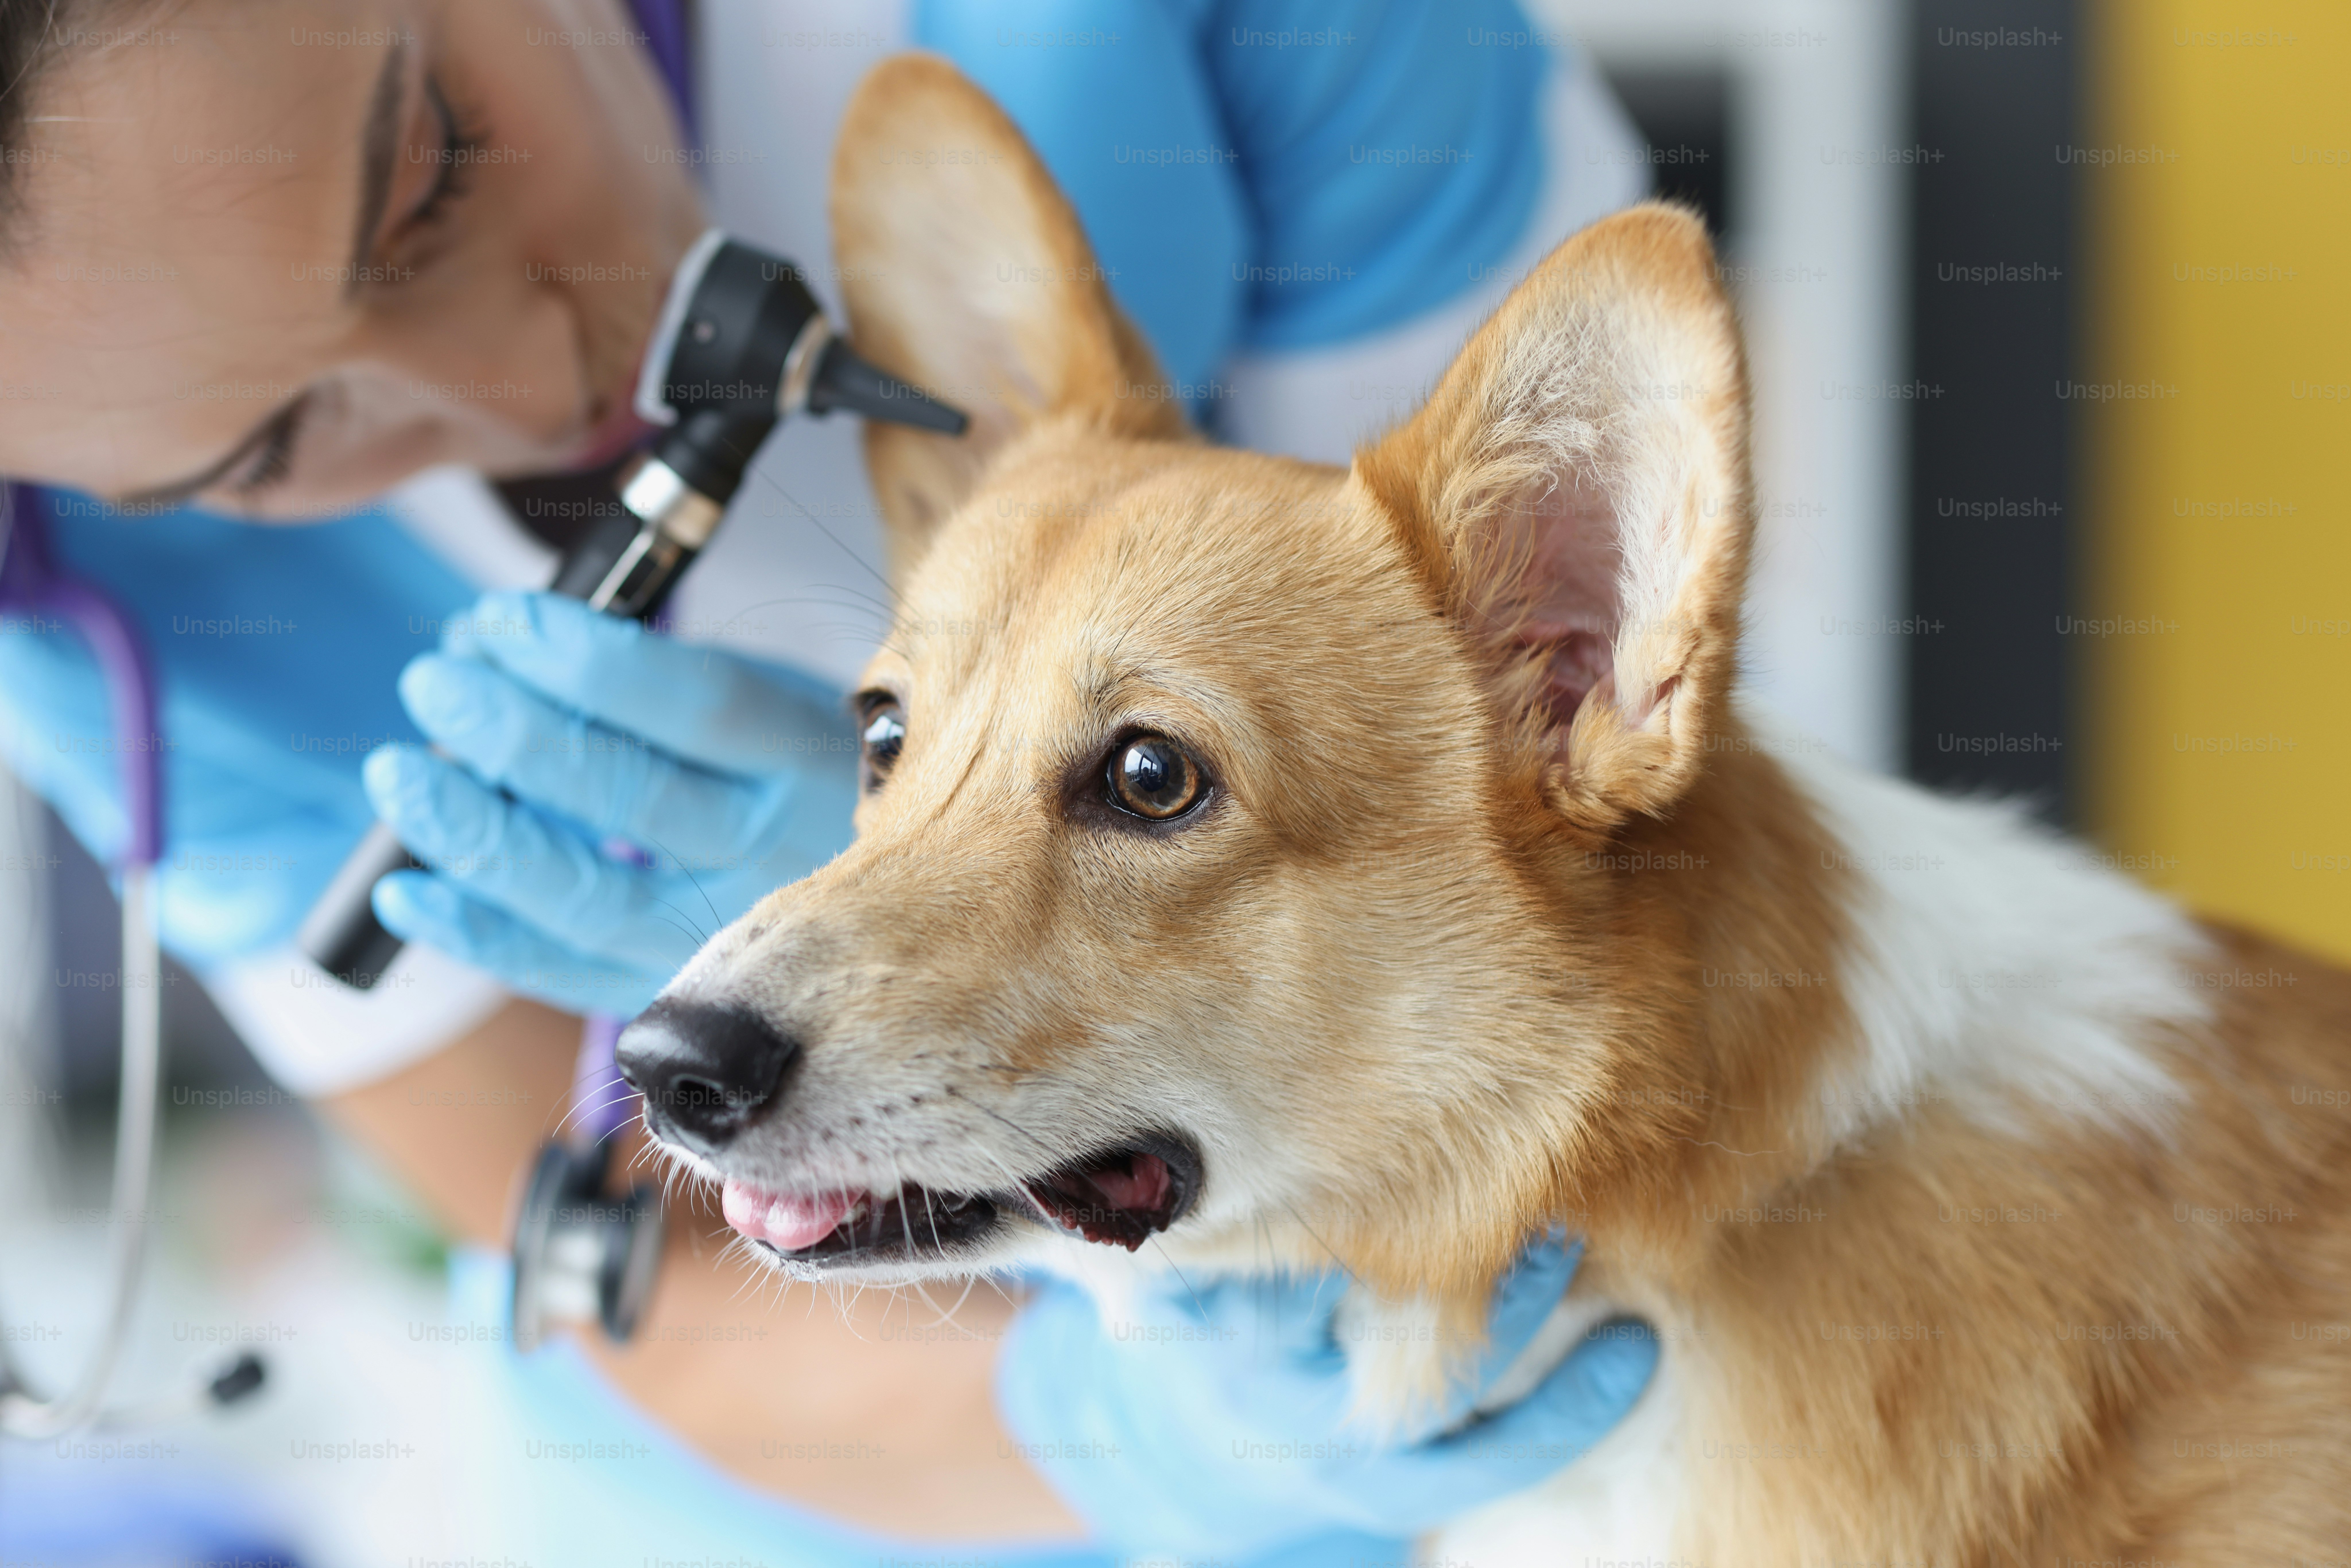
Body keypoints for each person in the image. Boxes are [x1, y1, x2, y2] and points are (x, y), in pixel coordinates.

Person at [0, 0, 1659, 1558]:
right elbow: (621, 1263)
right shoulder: (106, 608)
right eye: (265, 448)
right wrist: (1129, 1428)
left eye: (433, 168)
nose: (527, 389)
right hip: (775, 1478)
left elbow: (1561, 804)